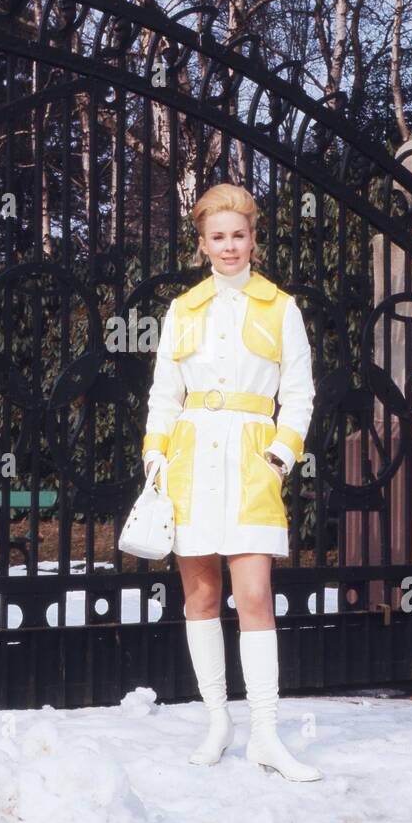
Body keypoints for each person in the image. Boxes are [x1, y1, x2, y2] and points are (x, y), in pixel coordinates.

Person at [140, 184, 320, 782]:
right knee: (201, 598)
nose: (229, 247)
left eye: (238, 235)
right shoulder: (182, 310)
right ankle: (217, 720)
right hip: (189, 462)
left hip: (250, 464)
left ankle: (265, 733)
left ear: (253, 237)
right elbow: (164, 395)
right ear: (202, 244)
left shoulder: (281, 307)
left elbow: (299, 392)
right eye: (217, 237)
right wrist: (156, 458)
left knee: (255, 597)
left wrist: (279, 458)